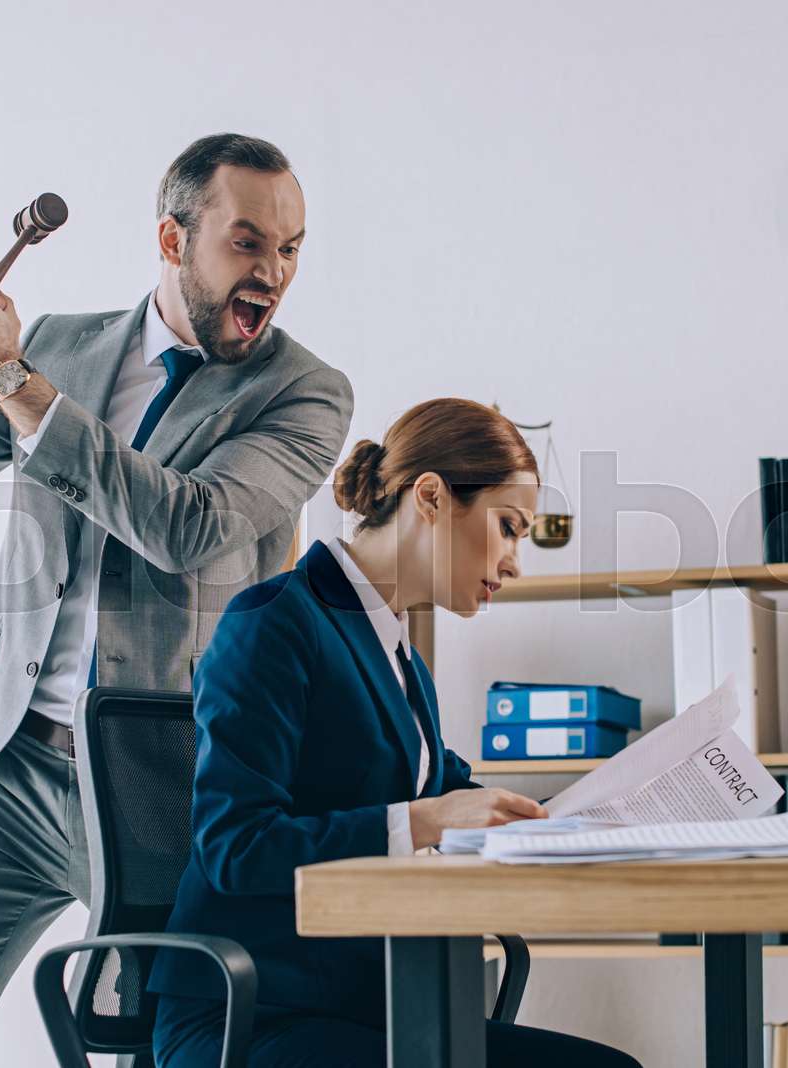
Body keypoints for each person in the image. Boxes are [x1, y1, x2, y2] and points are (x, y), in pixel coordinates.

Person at [0, 133, 353, 1066]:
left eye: (290, 248)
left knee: (150, 1053)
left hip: (166, 782)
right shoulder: (62, 348)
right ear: (172, 239)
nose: (272, 272)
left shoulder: (304, 394)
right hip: (2, 767)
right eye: (247, 242)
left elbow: (187, 528)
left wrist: (7, 378)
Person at [149, 398, 640, 1067]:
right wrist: (424, 820)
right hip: (253, 1017)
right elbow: (236, 847)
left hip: (363, 1009)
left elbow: (448, 792)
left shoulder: (397, 651)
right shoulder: (274, 620)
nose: (517, 561)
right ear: (432, 497)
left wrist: (583, 819)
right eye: (507, 527)